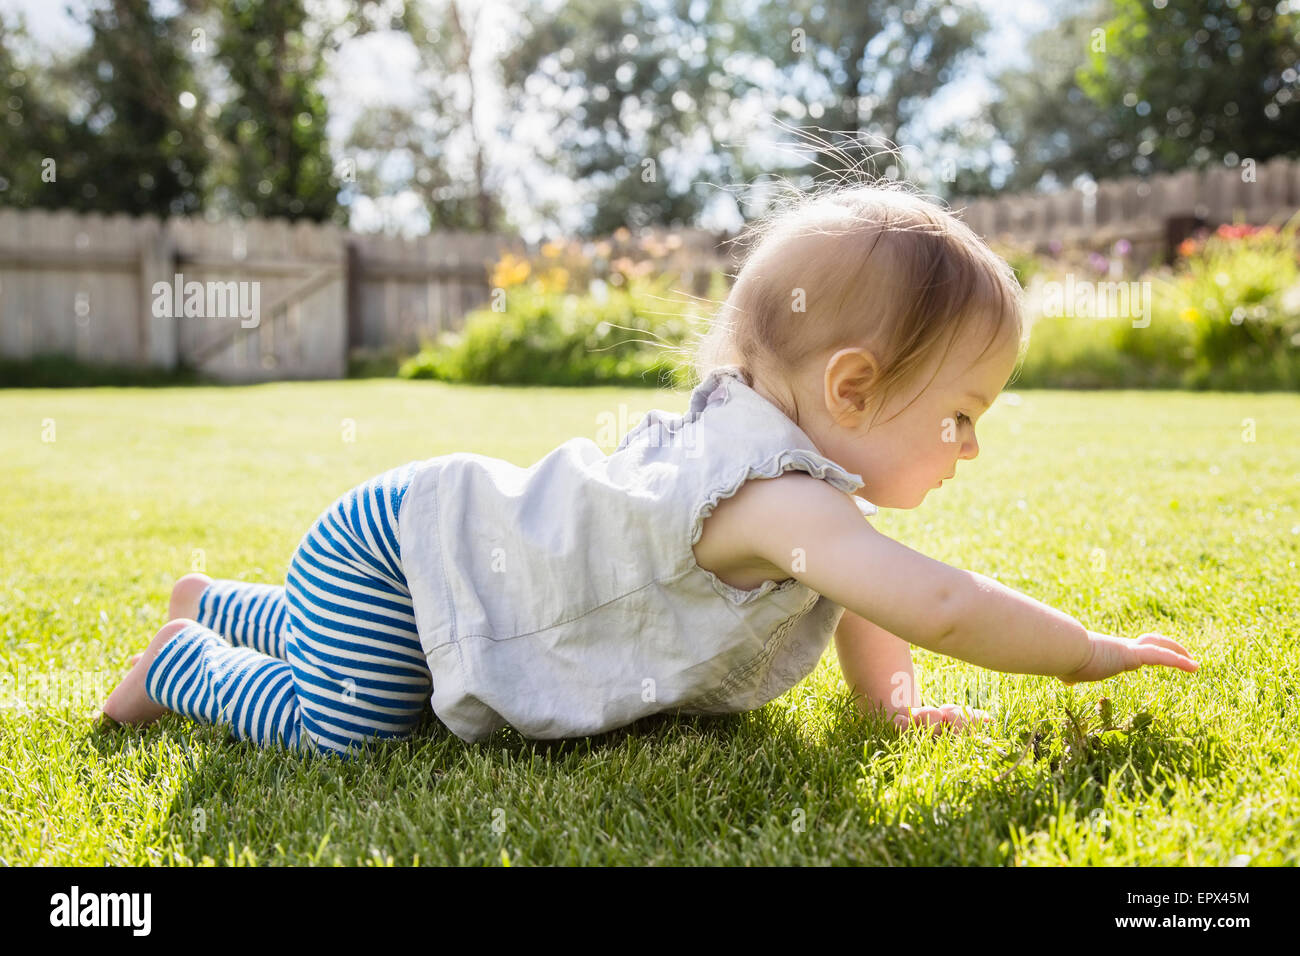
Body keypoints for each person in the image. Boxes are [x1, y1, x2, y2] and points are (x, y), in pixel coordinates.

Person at [99, 181, 1199, 757]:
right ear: (852, 389)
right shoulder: (771, 494)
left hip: (426, 546)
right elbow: (941, 603)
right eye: (960, 415)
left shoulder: (803, 494)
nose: (972, 446)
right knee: (347, 724)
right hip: (402, 550)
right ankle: (186, 658)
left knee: (370, 663)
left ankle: (227, 600)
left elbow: (872, 601)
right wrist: (1083, 652)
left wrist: (894, 705)